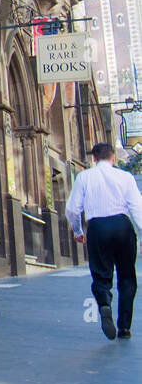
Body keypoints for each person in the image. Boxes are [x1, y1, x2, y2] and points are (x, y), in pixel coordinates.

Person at [65, 142, 142, 340]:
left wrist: (78, 230)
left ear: (94, 159)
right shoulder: (125, 177)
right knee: (127, 277)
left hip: (97, 228)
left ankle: (104, 303)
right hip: (122, 226)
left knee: (101, 275)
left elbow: (73, 209)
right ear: (113, 157)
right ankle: (124, 326)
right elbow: (137, 208)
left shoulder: (84, 177)